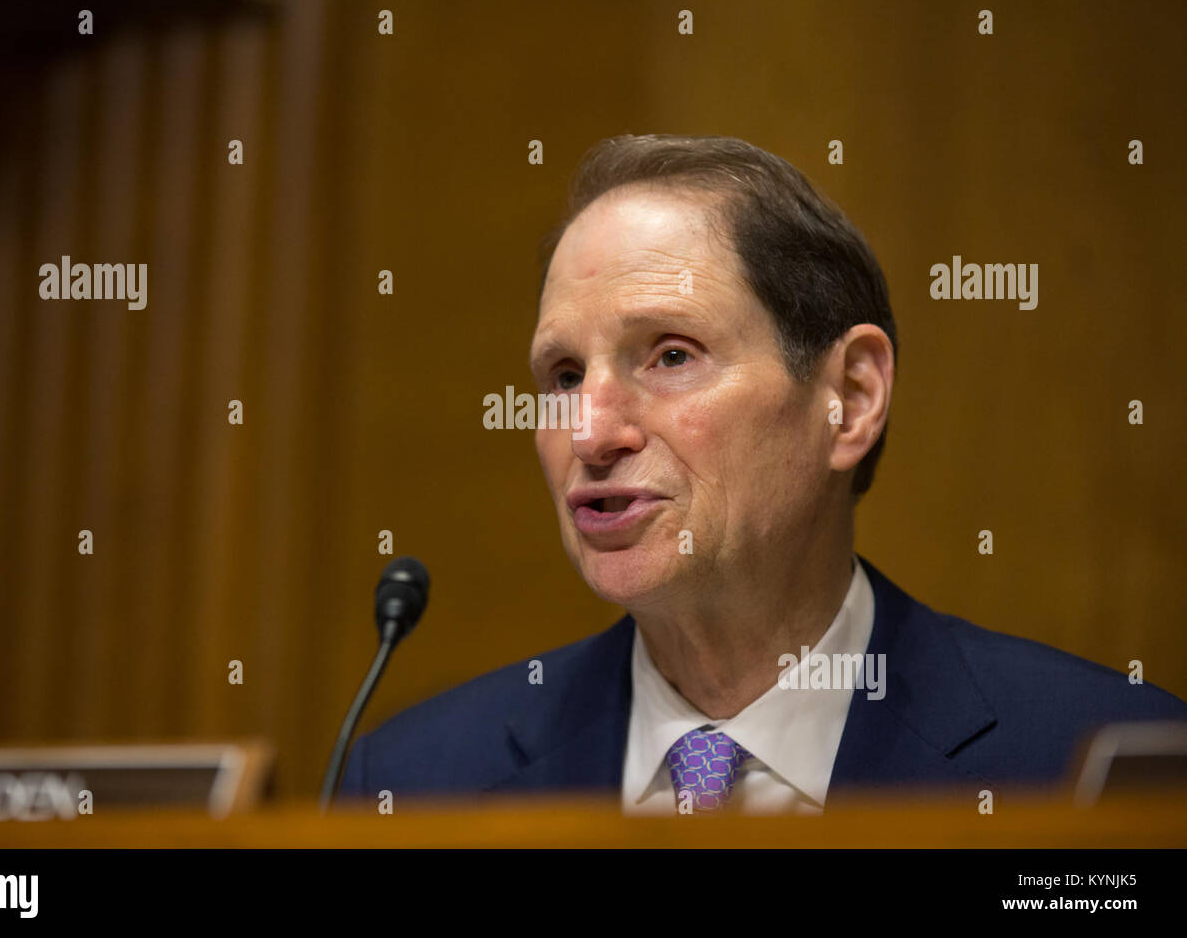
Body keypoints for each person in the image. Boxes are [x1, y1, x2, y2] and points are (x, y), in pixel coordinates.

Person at [338, 134, 1185, 813]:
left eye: (671, 355)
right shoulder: (411, 786)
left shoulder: (1092, 768)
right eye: (563, 376)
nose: (588, 431)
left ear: (848, 399)